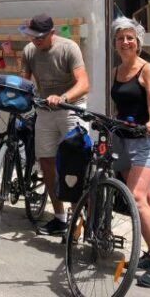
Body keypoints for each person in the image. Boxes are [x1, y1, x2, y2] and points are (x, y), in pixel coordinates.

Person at [111, 16, 150, 288]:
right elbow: (122, 105)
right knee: (146, 198)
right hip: (122, 140)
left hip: (146, 142)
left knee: (135, 197)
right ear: (115, 43)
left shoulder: (148, 69)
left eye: (130, 38)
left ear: (138, 42)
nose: (125, 42)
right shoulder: (116, 71)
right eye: (121, 38)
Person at [18, 13, 90, 236]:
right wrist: (17, 92)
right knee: (47, 162)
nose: (36, 41)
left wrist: (64, 98)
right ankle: (59, 218)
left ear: (52, 33)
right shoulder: (29, 51)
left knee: (74, 162)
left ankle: (79, 214)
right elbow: (24, 80)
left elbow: (84, 83)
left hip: (71, 109)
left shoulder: (69, 48)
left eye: (40, 37)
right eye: (33, 36)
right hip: (45, 111)